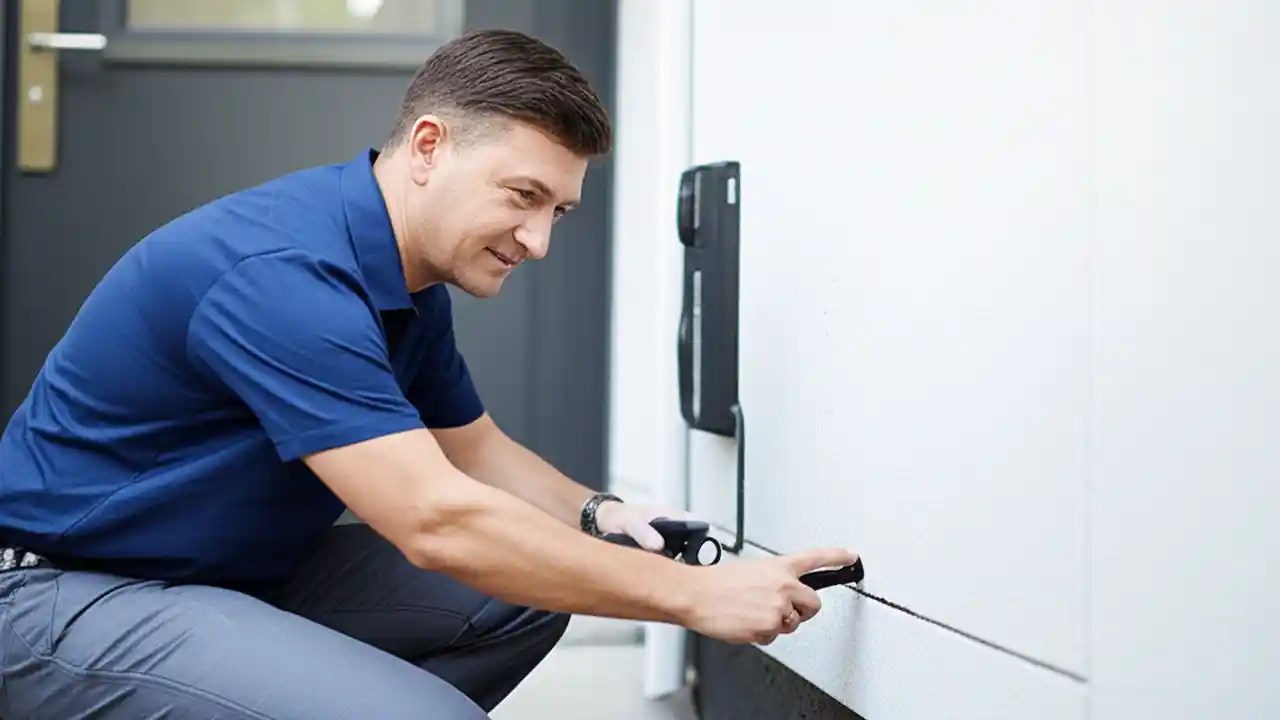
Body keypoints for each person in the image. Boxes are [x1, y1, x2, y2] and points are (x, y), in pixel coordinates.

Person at [0, 29, 856, 719]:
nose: (539, 241)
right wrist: (692, 597)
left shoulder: (405, 275)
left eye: (558, 210)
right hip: (59, 590)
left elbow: (472, 451)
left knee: (527, 593)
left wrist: (603, 514)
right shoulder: (283, 276)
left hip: (223, 574)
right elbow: (436, 520)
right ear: (428, 146)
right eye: (521, 195)